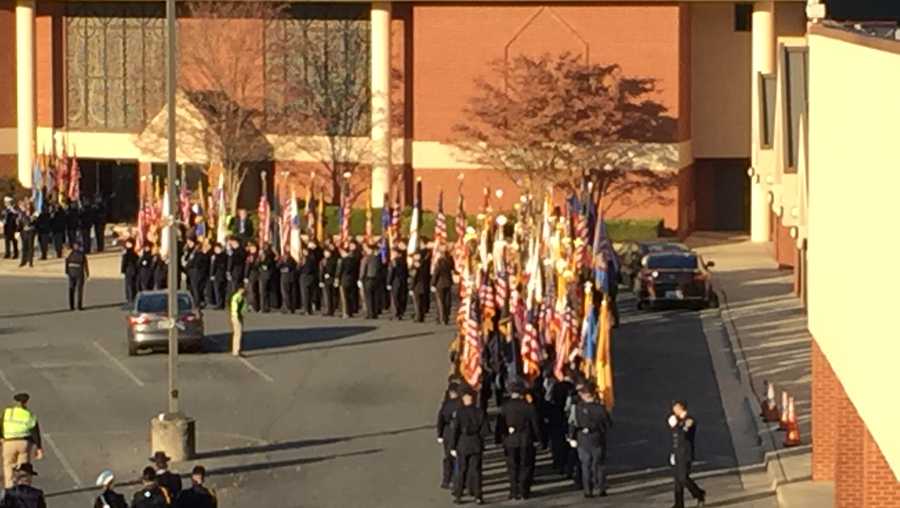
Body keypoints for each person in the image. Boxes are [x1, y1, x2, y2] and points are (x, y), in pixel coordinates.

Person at [495, 381, 542, 500]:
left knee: (512, 466)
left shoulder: (505, 407)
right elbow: (535, 424)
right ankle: (524, 490)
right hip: (526, 439)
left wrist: (498, 439)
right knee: (526, 465)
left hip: (510, 440)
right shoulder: (528, 406)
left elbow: (500, 425)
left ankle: (513, 491)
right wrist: (538, 439)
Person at [568, 382, 612, 498]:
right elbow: (608, 424)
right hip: (597, 438)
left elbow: (573, 424)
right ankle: (601, 488)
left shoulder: (577, 408)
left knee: (585, 465)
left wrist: (571, 437)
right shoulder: (600, 408)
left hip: (582, 439)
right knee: (599, 464)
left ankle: (588, 490)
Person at [450, 385, 487, 505]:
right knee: (476, 471)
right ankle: (478, 496)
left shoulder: (460, 413)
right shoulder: (479, 412)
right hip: (476, 443)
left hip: (463, 443)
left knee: (462, 470)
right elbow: (485, 430)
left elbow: (455, 430)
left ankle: (459, 495)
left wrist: (452, 446)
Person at [0, 393, 43, 489]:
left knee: (8, 466)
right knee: (23, 468)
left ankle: (9, 489)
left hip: (9, 442)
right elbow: (34, 432)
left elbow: (1, 424)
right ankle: (23, 489)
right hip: (24, 443)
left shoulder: (7, 412)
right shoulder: (29, 414)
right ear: (26, 402)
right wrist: (39, 448)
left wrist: (1, 437)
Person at [669, 400, 706, 508]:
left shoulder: (689, 420)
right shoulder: (677, 420)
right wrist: (673, 453)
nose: (674, 410)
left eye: (676, 408)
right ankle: (678, 504)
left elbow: (683, 434)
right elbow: (675, 439)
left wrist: (675, 426)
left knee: (683, 478)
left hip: (685, 454)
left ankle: (699, 493)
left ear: (681, 408)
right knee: (677, 481)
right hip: (677, 453)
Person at [436, 383, 461, 490]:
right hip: (458, 433)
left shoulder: (446, 404)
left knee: (448, 457)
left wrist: (440, 434)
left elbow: (440, 419)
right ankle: (457, 480)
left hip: (447, 432)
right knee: (457, 458)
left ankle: (446, 480)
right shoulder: (461, 404)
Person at [431, 245, 454, 325]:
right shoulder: (450, 260)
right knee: (447, 301)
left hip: (439, 284)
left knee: (440, 302)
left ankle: (442, 318)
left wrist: (433, 284)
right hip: (448, 282)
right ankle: (446, 317)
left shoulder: (439, 262)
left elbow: (436, 273)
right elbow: (453, 268)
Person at [65, 242, 90, 311]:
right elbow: (85, 264)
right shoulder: (82, 254)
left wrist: (67, 272)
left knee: (71, 289)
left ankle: (71, 306)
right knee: (79, 290)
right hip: (79, 273)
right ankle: (79, 306)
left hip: (71, 273)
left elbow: (66, 263)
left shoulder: (70, 254)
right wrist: (87, 273)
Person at [360, 244, 381, 319]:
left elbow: (363, 270)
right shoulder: (377, 258)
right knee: (375, 297)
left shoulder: (366, 259)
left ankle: (370, 313)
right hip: (376, 279)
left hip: (368, 279)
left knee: (368, 297)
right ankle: (375, 313)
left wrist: (360, 279)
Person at [387, 248, 409, 320]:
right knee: (400, 297)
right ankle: (400, 313)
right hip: (403, 281)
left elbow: (391, 272)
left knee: (394, 297)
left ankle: (395, 314)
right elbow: (406, 272)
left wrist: (389, 283)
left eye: (393, 253)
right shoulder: (404, 261)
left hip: (395, 281)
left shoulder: (393, 262)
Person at [411, 250, 431, 323]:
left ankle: (418, 317)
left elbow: (414, 277)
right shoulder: (426, 263)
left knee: (417, 303)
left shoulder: (416, 264)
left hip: (417, 286)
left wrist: (411, 287)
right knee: (422, 302)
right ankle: (422, 316)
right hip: (424, 285)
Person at [298, 247, 319, 315]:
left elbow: (307, 269)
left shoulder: (309, 259)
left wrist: (302, 263)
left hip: (307, 277)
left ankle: (307, 310)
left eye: (305, 251)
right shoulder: (308, 259)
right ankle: (308, 310)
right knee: (307, 294)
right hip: (307, 277)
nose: (304, 253)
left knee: (306, 294)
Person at [225, 237, 246, 304]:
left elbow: (239, 260)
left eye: (232, 243)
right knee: (232, 286)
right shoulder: (232, 251)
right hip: (232, 270)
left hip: (237, 270)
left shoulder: (240, 250)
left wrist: (232, 254)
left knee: (236, 285)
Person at [207, 243, 227, 310]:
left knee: (218, 290)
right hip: (217, 275)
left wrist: (212, 274)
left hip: (219, 275)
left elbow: (218, 266)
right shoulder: (215, 256)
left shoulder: (222, 256)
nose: (216, 250)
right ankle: (220, 304)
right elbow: (212, 267)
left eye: (217, 249)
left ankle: (220, 304)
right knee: (218, 290)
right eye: (215, 249)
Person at [257, 244, 276, 313]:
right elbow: (256, 265)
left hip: (266, 276)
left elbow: (266, 266)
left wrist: (262, 262)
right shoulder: (259, 259)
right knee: (262, 292)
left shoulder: (268, 259)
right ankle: (264, 307)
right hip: (261, 276)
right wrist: (259, 259)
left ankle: (264, 308)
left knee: (263, 292)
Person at [121, 239, 140, 308]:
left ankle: (130, 299)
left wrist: (122, 270)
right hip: (134, 270)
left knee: (129, 285)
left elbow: (124, 262)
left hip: (129, 270)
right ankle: (132, 299)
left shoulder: (127, 253)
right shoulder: (135, 253)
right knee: (133, 284)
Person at [319, 247, 338, 316]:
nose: (326, 254)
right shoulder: (323, 261)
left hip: (331, 279)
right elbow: (321, 271)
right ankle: (328, 309)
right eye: (325, 253)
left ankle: (330, 310)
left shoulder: (333, 260)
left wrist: (329, 274)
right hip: (325, 279)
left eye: (327, 252)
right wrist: (321, 280)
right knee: (326, 296)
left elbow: (333, 269)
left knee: (331, 295)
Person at [16, 202, 35, 268]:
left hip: (30, 232)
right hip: (23, 232)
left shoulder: (34, 214)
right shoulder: (22, 214)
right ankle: (23, 261)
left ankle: (30, 262)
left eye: (28, 205)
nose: (27, 206)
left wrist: (30, 225)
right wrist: (18, 231)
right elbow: (20, 223)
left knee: (30, 247)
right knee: (24, 247)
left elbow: (34, 223)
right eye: (26, 205)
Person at [230, 286, 247, 357]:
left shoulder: (241, 297)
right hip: (236, 316)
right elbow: (235, 307)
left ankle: (236, 350)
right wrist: (236, 315)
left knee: (237, 333)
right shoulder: (237, 297)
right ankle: (237, 351)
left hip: (238, 316)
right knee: (238, 333)